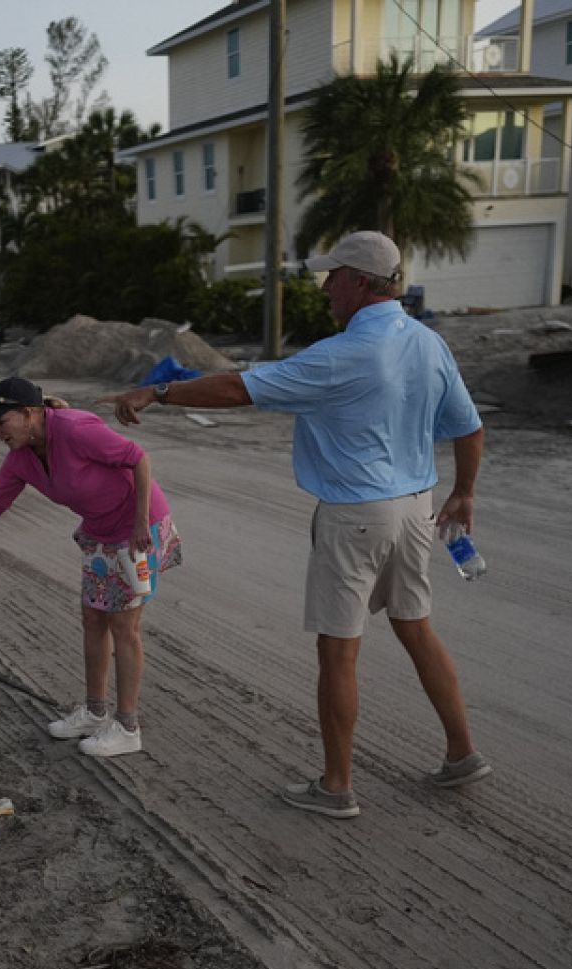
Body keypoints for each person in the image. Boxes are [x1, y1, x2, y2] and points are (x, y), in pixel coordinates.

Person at [101, 230, 489, 818]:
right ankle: (462, 753)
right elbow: (469, 425)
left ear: (361, 282)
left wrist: (159, 392)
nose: (326, 285)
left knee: (339, 654)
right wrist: (463, 492)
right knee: (416, 629)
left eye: (334, 275)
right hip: (415, 505)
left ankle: (336, 786)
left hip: (357, 515)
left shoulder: (342, 355)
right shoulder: (428, 344)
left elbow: (238, 389)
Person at [0, 376, 182, 758]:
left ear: (29, 414)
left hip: (137, 531)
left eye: (1, 422)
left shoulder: (75, 429)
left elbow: (138, 459)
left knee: (124, 625)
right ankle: (95, 712)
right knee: (93, 619)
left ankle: (128, 727)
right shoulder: (21, 458)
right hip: (99, 531)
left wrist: (139, 523)